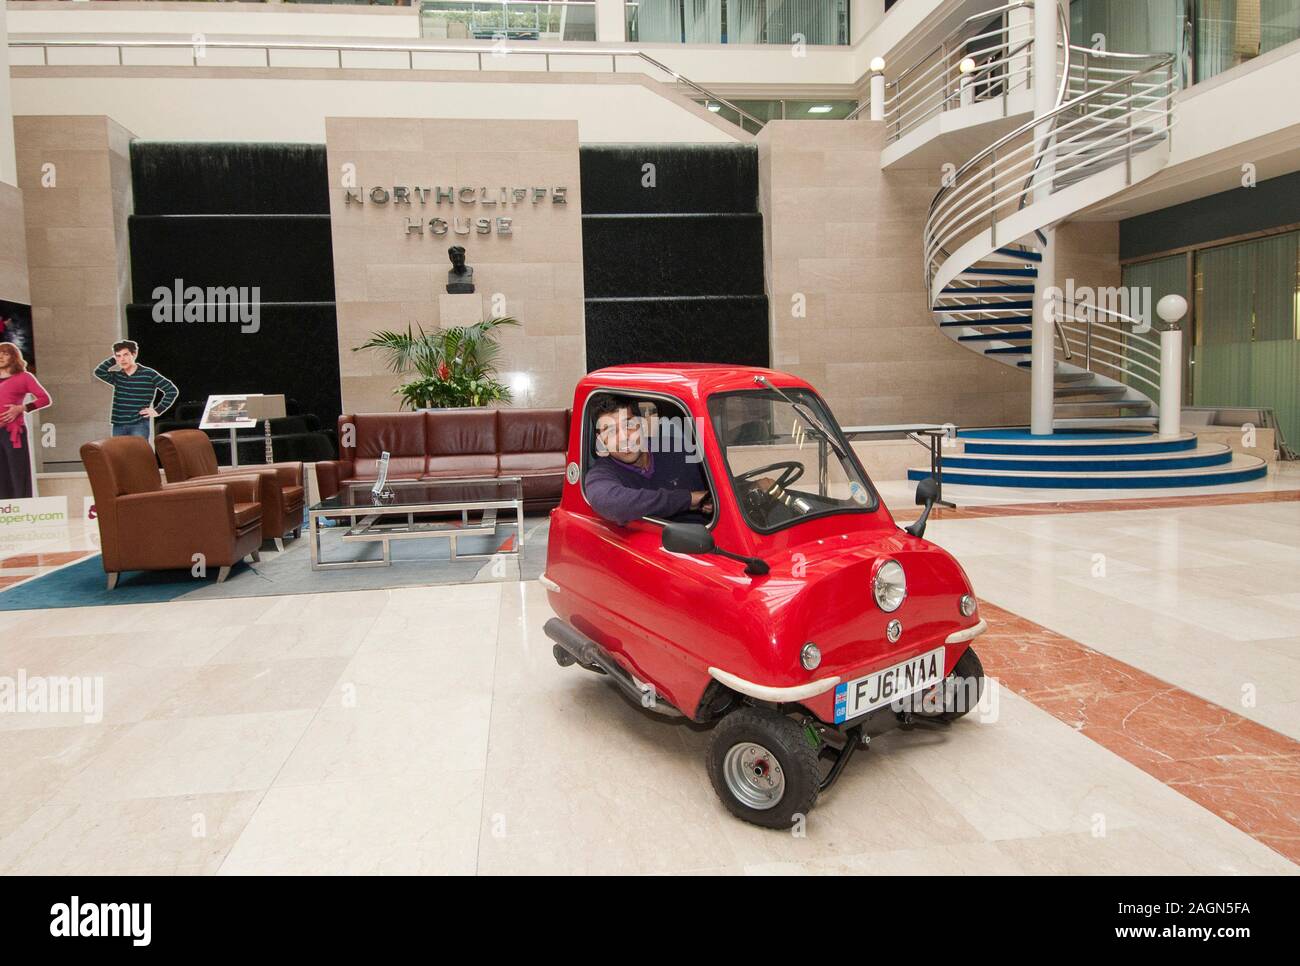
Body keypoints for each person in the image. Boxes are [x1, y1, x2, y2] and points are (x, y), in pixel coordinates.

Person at [584, 395, 713, 527]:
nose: (623, 438)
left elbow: (716, 490)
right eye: (611, 431)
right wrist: (688, 500)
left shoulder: (677, 448)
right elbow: (610, 502)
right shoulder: (600, 474)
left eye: (629, 425)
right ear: (601, 439)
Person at [91, 341, 178, 438]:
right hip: (118, 424)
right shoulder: (117, 376)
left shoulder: (148, 374)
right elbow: (99, 372)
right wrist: (114, 359)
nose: (122, 359)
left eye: (125, 355)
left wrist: (158, 410)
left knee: (138, 452)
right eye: (118, 356)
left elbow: (171, 390)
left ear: (134, 354)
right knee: (118, 453)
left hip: (139, 424)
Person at [0, 342, 53, 500]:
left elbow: (45, 399)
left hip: (13, 432)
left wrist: (21, 408)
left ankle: (23, 508)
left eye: (6, 353)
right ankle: (4, 510)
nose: (1, 356)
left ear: (14, 357)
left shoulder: (24, 377)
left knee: (18, 471)